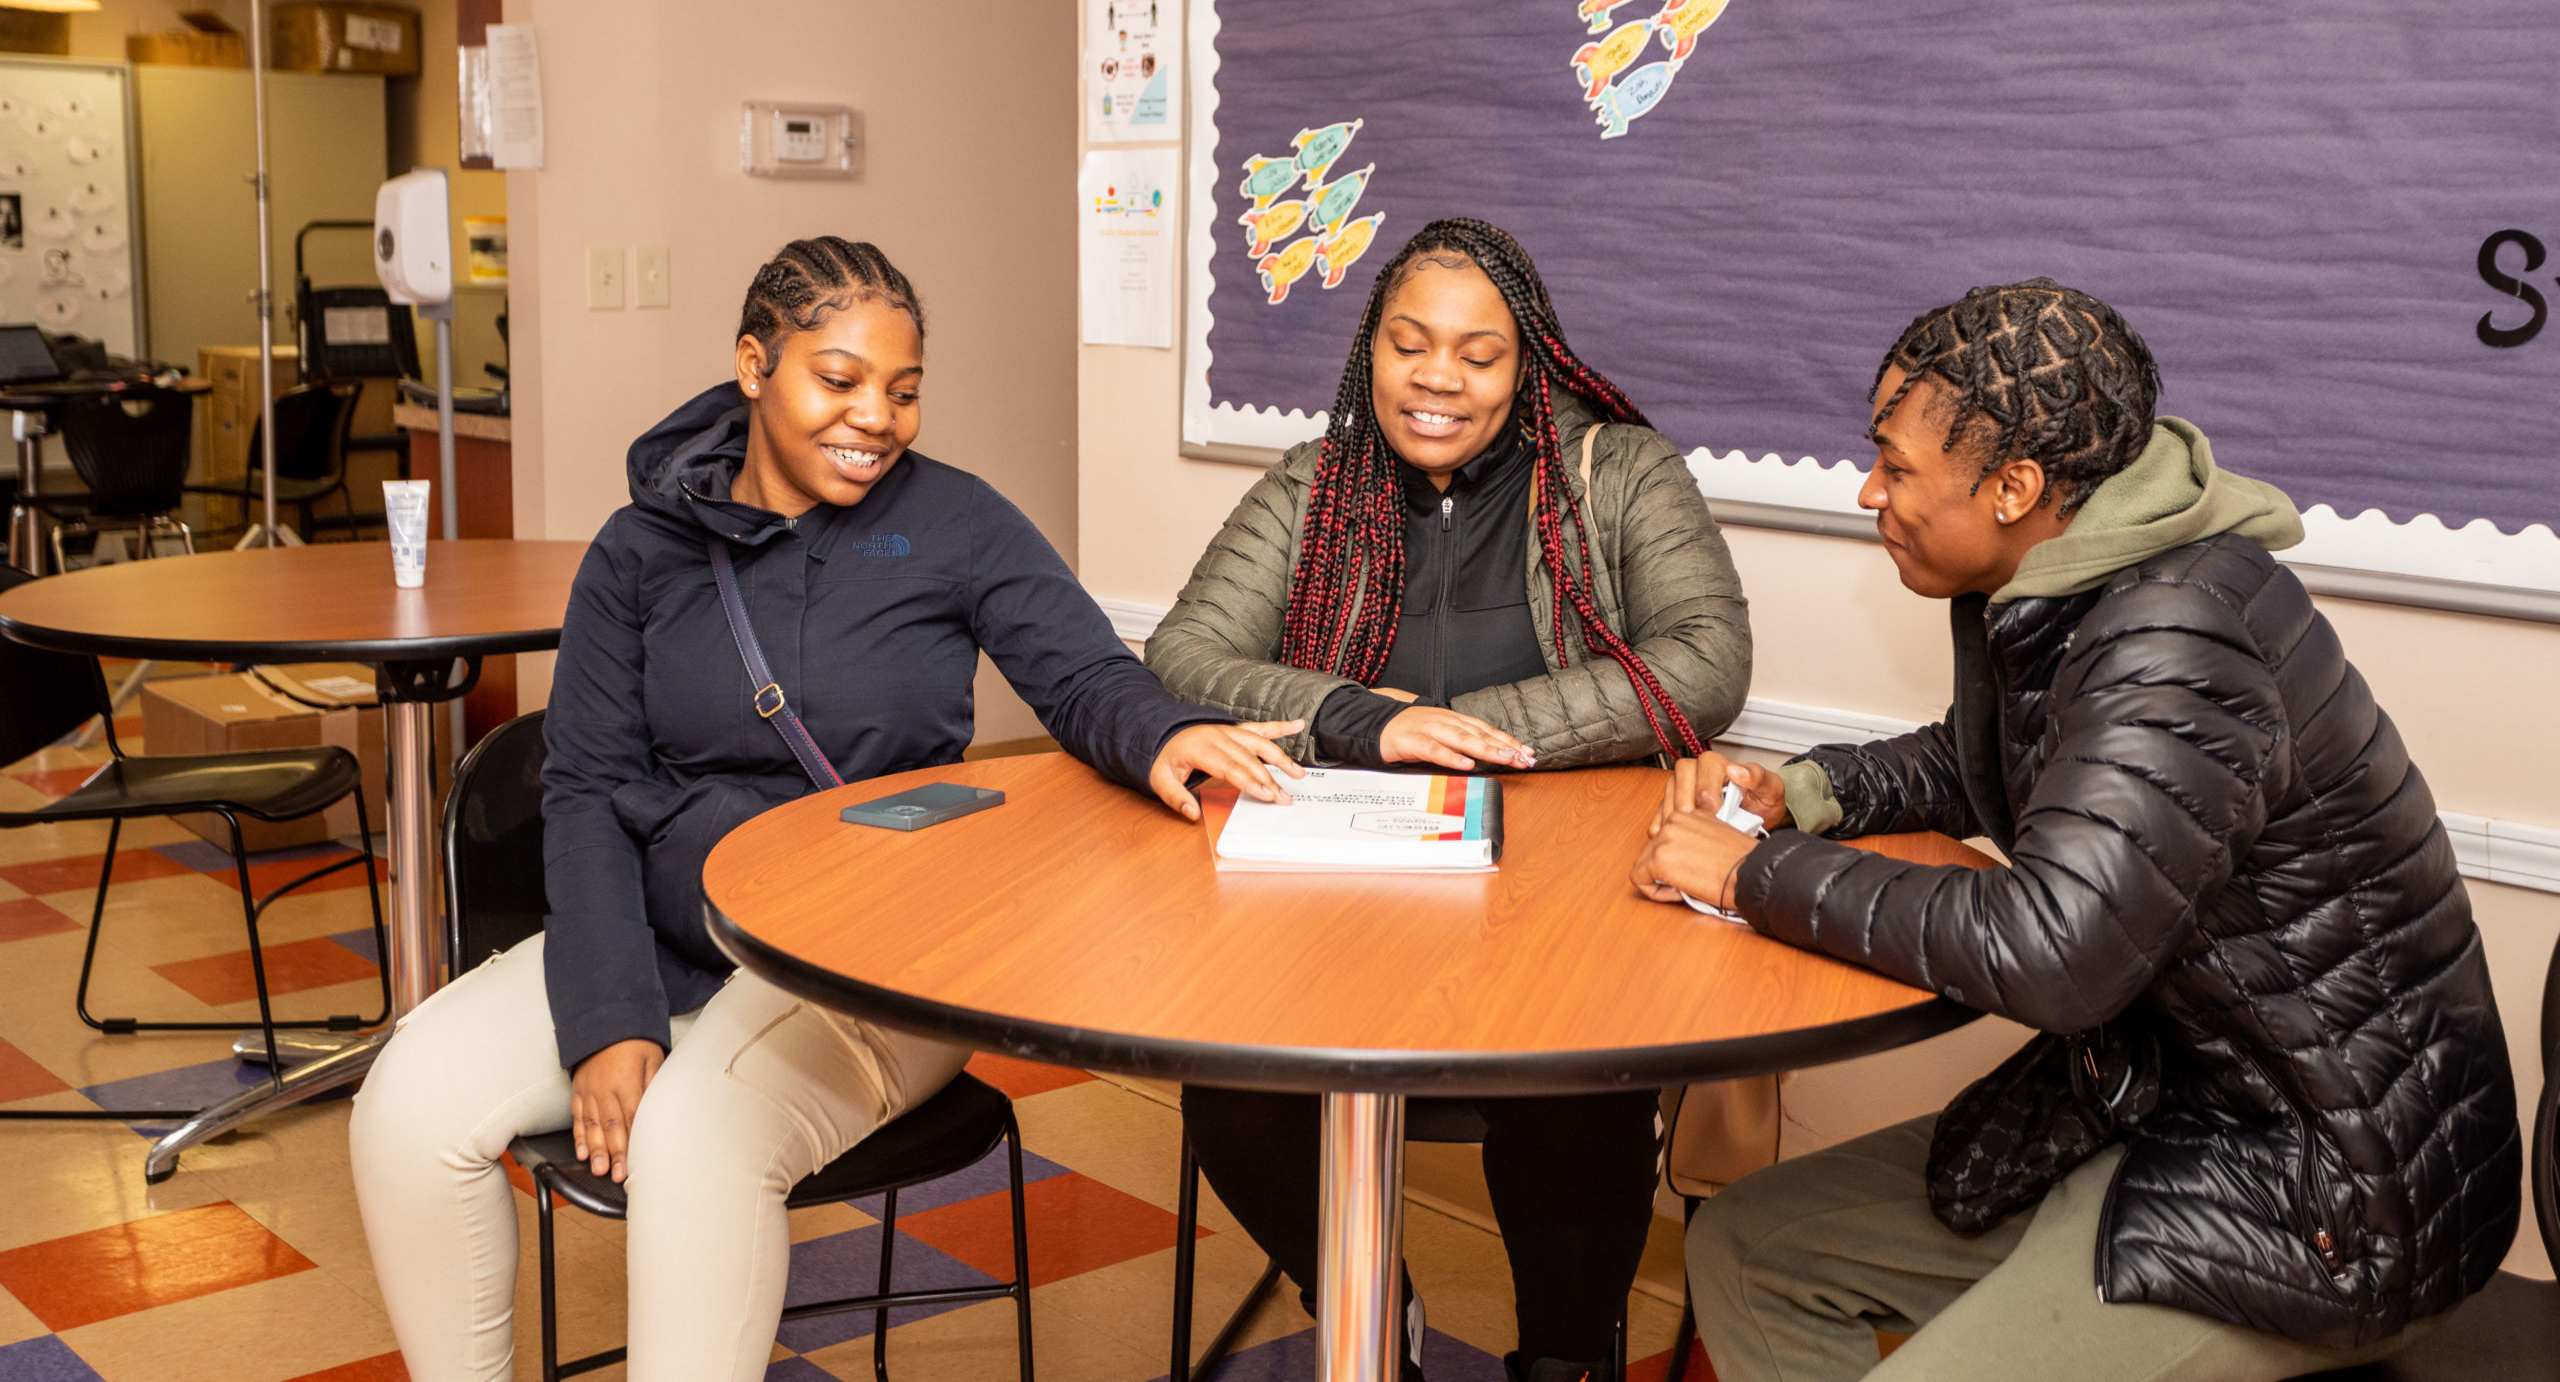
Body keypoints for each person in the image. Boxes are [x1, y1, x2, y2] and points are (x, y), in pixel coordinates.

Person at [350, 236, 1306, 1382]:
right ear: (754, 364)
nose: (876, 418)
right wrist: (609, 1017)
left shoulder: (953, 522)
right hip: (670, 934)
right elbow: (590, 786)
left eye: (902, 391)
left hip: (878, 953)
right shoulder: (640, 550)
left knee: (694, 1140)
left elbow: (1081, 673)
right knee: (404, 1104)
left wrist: (1162, 729)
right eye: (838, 379)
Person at [1632, 279, 2519, 1382]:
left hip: (2331, 1201)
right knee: (1749, 1240)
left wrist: (1754, 872)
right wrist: (1804, 792)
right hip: (2171, 1107)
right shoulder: (2096, 574)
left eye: (1896, 467)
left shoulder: (2178, 633)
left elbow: (2055, 950)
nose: (1869, 490)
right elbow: (2004, 755)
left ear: (2012, 487)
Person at [1147, 217, 1752, 1382]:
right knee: (1235, 1090)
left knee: (1575, 1089)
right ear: (1368, 348)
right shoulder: (1313, 479)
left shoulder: (1615, 470)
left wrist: (1473, 737)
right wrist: (1365, 718)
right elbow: (1182, 653)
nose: (1437, 379)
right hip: (1330, 898)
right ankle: (1380, 1321)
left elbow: (1706, 661)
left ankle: (1566, 1358)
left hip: (1562, 897)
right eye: (1408, 344)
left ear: (1531, 364)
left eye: (1479, 354)